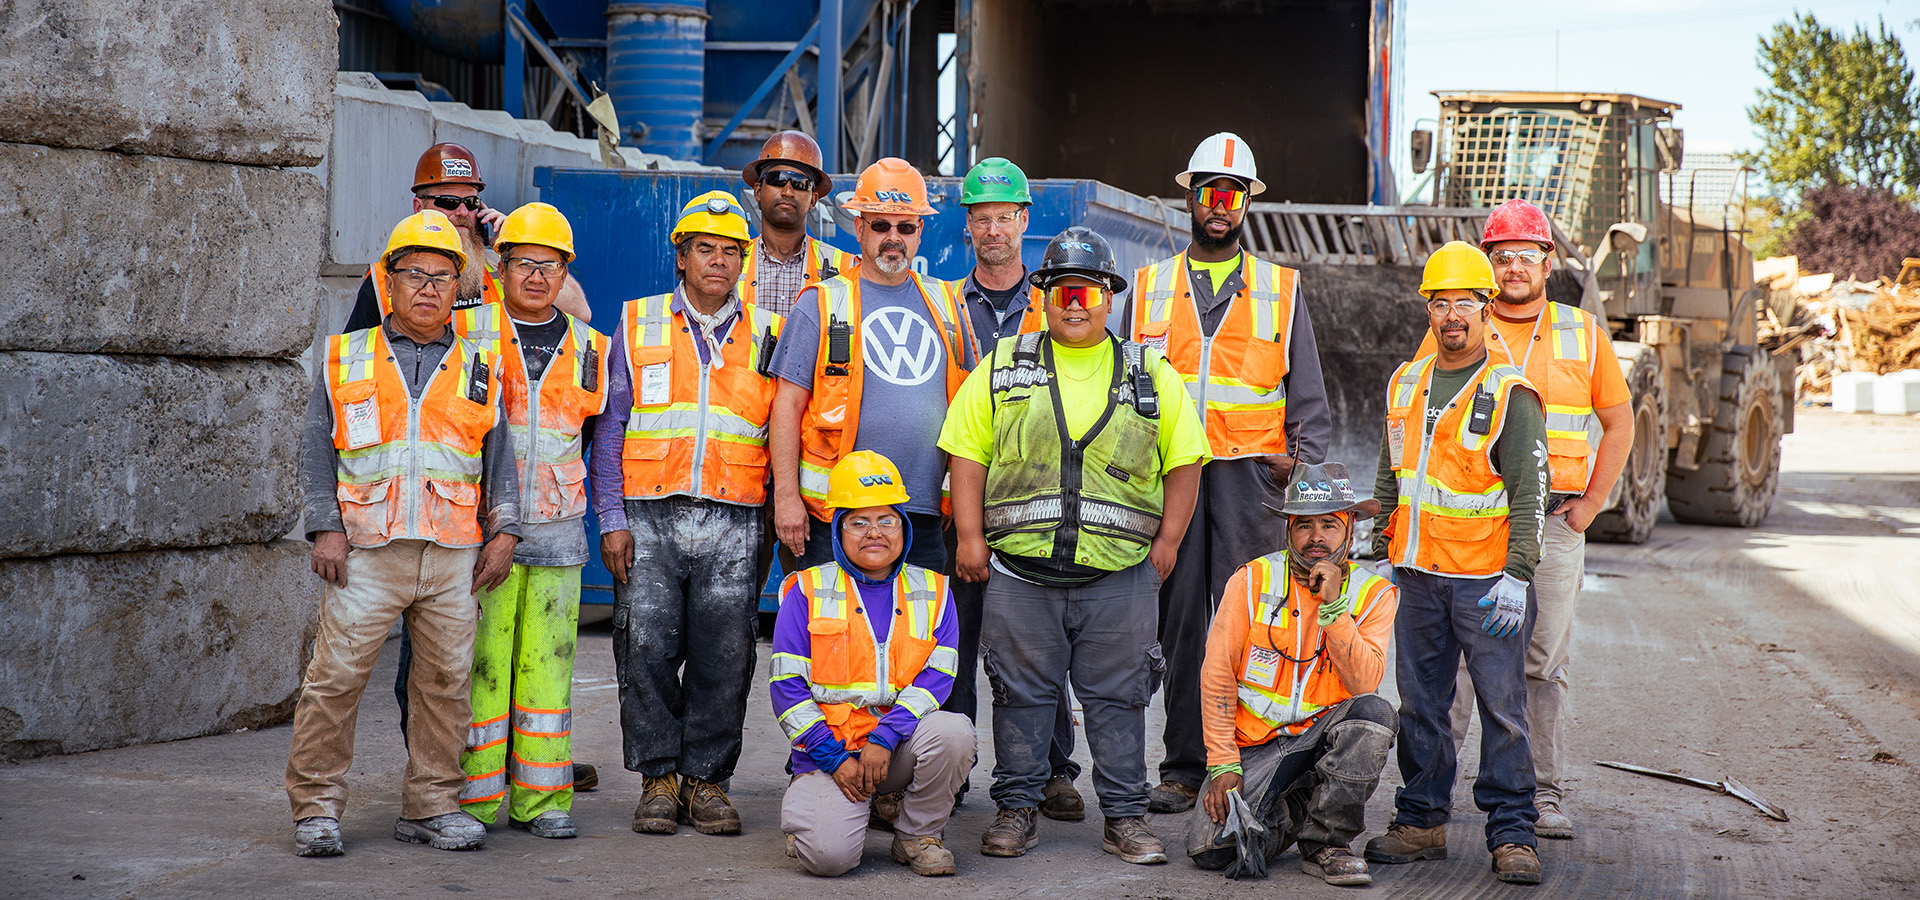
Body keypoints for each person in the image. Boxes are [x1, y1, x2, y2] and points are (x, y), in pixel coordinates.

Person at [941, 227, 1208, 865]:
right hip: (1020, 574)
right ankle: (1016, 809)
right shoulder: (1004, 364)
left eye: (1088, 290)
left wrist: (1168, 540)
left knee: (1119, 699)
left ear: (1109, 296)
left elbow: (1186, 459)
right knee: (1021, 698)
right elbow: (965, 453)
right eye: (1062, 290)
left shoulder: (1149, 372)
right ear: (1044, 298)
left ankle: (1125, 817)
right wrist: (972, 537)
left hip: (1120, 577)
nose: (1075, 302)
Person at [287, 209, 521, 856]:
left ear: (458, 289)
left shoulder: (479, 363)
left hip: (452, 552)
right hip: (366, 547)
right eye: (413, 273)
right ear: (387, 282)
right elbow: (315, 447)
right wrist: (324, 527)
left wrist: (505, 531)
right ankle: (314, 809)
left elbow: (498, 454)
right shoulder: (345, 355)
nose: (427, 287)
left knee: (445, 683)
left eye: (442, 277)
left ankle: (430, 804)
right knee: (335, 679)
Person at [1120, 132, 1334, 814]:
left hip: (1253, 483)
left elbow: (1309, 403)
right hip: (1173, 478)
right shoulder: (1149, 288)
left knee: (1252, 621)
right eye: (1208, 192)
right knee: (1180, 625)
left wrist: (1303, 488)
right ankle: (1185, 766)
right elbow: (1126, 390)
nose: (1219, 206)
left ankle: (1251, 758)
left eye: (1232, 194)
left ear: (1245, 203)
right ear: (1189, 197)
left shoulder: (1280, 289)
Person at [1429, 199, 1634, 841]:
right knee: (1461, 659)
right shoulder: (1461, 322)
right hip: (1473, 518)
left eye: (1527, 255)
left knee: (1542, 661)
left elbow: (1619, 420)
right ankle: (1432, 797)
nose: (1514, 267)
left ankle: (1542, 792)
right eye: (1502, 256)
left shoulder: (1581, 331)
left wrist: (1592, 504)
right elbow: (1423, 416)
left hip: (1551, 523)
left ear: (1549, 262)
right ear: (1488, 264)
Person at [590, 192, 785, 836]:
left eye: (732, 252)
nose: (720, 263)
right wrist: (611, 516)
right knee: (643, 647)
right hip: (648, 516)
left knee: (724, 656)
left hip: (735, 519)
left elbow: (782, 427)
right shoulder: (639, 322)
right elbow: (613, 427)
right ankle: (659, 778)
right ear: (681, 255)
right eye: (707, 249)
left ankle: (707, 779)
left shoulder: (768, 332)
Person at [1364, 241, 1548, 885]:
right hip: (1417, 580)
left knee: (1502, 709)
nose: (1451, 316)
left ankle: (1513, 831)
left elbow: (1531, 491)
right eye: (1439, 303)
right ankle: (1421, 820)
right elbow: (1392, 474)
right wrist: (1377, 544)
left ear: (1486, 309)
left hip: (1486, 585)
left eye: (1465, 303)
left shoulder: (1510, 393)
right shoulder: (1405, 382)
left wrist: (1518, 577)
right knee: (1420, 706)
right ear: (1428, 309)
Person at [451, 203, 611, 839]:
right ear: (502, 265)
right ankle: (475, 799)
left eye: (551, 266)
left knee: (549, 666)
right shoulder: (469, 332)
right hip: (484, 530)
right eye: (524, 264)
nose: (538, 277)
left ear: (565, 269)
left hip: (561, 529)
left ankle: (542, 801)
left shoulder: (591, 349)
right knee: (482, 669)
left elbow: (593, 431)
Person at [946, 156, 1083, 820]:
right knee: (956, 641)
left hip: (1040, 502)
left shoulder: (1056, 303)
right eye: (982, 218)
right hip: (961, 502)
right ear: (967, 225)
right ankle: (955, 765)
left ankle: (1056, 769)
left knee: (1041, 643)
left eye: (1005, 216)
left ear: (1025, 221)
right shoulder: (941, 303)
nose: (994, 229)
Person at [1186, 462, 1397, 886]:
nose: (1316, 537)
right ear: (1288, 531)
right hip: (1258, 748)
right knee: (1213, 850)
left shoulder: (1374, 594)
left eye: (1329, 525)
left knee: (1374, 715)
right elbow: (1217, 675)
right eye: (1303, 526)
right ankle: (1296, 807)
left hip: (1322, 739)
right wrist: (1223, 764)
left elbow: (1364, 685)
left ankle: (1326, 842)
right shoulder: (1250, 580)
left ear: (1350, 529)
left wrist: (1334, 607)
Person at [770, 451, 973, 877]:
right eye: (858, 522)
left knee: (954, 731)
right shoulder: (806, 589)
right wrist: (834, 758)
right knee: (828, 860)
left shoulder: (934, 591)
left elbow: (938, 678)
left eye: (887, 519)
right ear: (838, 528)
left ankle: (917, 834)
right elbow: (787, 690)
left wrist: (885, 738)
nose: (874, 533)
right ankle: (809, 813)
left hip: (894, 750)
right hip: (830, 753)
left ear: (905, 525)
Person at [767, 157, 975, 572]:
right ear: (859, 227)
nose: (893, 237)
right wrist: (786, 497)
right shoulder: (821, 303)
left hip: (924, 514)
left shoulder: (949, 303)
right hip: (838, 514)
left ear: (921, 232)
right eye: (881, 225)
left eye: (905, 226)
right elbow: (786, 406)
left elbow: (969, 416)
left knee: (917, 633)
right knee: (834, 633)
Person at [342, 142, 591, 331]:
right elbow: (354, 358)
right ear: (419, 207)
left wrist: (517, 246)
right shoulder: (385, 277)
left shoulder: (500, 269)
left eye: (471, 203)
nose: (462, 212)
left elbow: (580, 312)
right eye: (449, 202)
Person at [738, 131, 856, 317]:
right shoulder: (732, 260)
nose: (787, 192)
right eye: (778, 180)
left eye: (800, 184)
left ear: (813, 200)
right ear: (758, 192)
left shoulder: (845, 268)